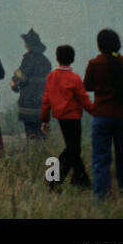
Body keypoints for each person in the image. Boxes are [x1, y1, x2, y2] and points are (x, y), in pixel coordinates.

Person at [83, 28, 123, 204]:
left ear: (99, 45)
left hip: (102, 116)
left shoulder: (95, 63)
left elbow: (87, 86)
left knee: (101, 160)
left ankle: (101, 199)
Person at [40, 44, 92, 188]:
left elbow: (46, 100)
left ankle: (80, 181)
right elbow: (84, 100)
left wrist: (45, 119)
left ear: (57, 58)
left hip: (60, 118)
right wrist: (96, 112)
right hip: (74, 118)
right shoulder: (75, 79)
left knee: (73, 149)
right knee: (73, 149)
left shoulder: (51, 77)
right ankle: (54, 178)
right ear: (73, 59)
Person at [11, 28, 51, 139]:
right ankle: (42, 154)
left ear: (28, 45)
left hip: (29, 103)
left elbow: (20, 78)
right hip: (42, 103)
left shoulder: (28, 59)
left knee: (31, 134)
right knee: (42, 135)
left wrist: (13, 82)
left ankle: (34, 153)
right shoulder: (46, 61)